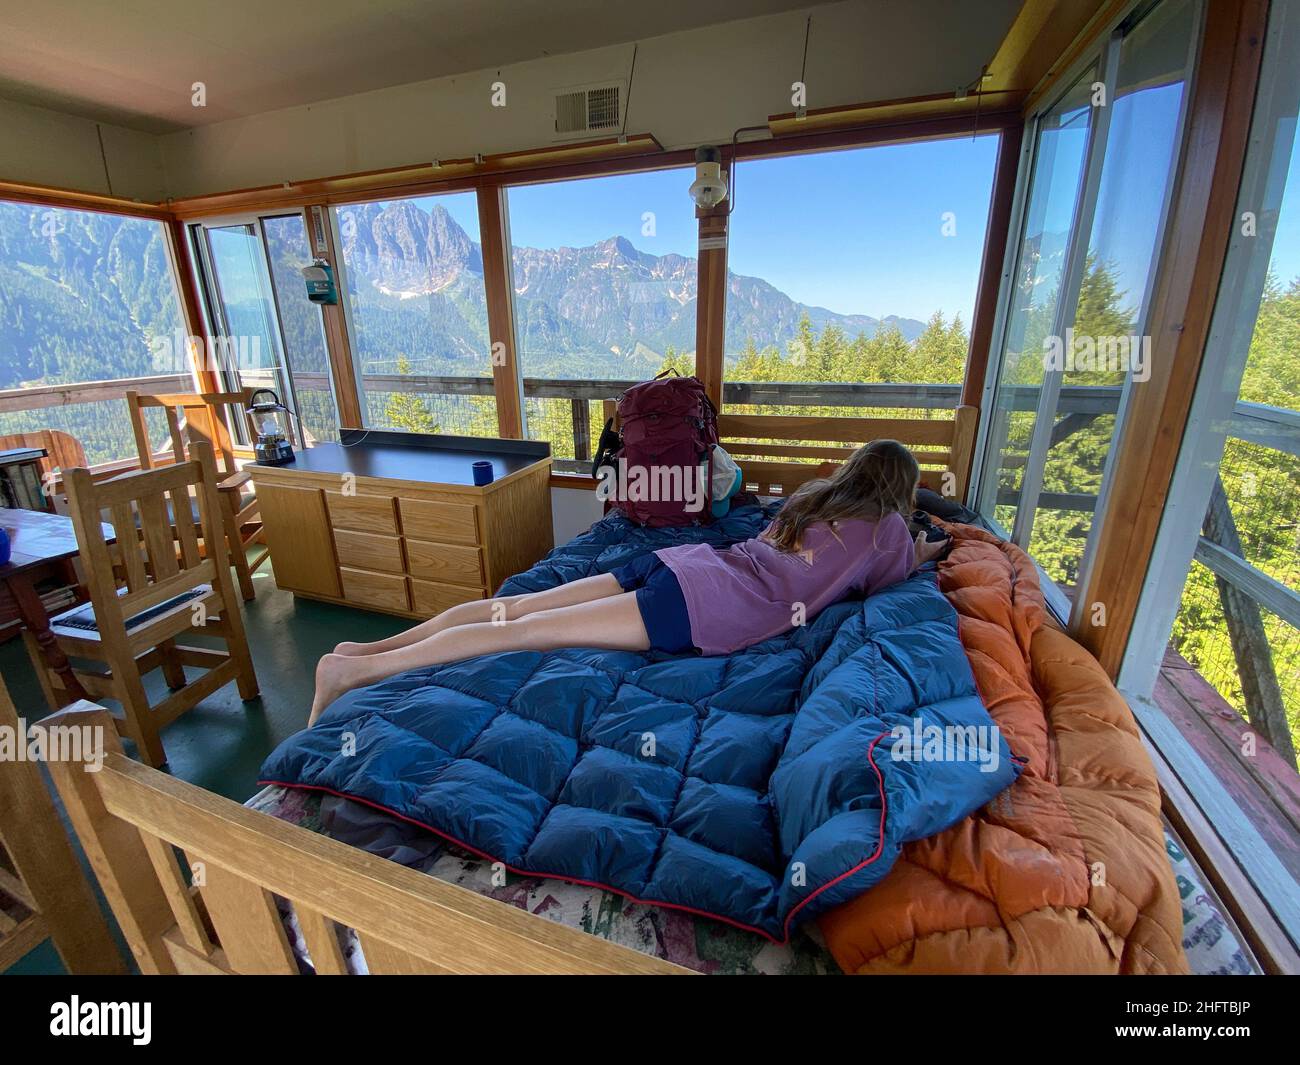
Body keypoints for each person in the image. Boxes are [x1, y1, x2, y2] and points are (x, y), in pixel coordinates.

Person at [308, 439, 948, 724]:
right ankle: (355, 673)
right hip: (702, 605)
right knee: (525, 632)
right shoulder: (889, 529)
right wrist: (925, 546)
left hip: (689, 562)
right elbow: (896, 573)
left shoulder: (811, 499)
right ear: (897, 490)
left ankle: (365, 651)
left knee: (517, 609)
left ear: (856, 470)